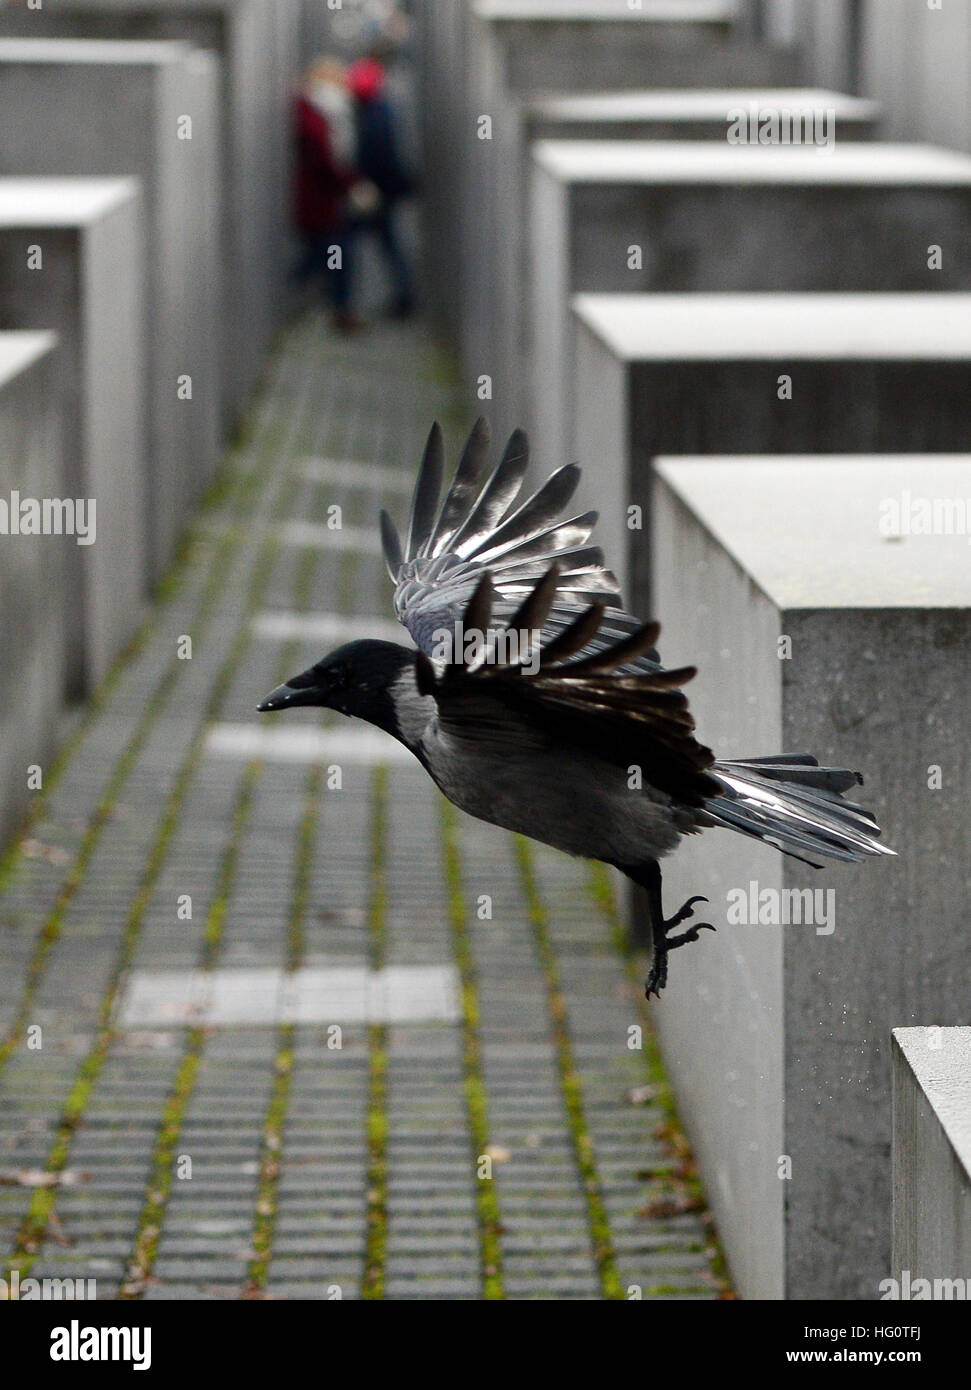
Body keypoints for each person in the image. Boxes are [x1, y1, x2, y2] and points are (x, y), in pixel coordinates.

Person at [293, 57, 362, 331]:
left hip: (326, 200)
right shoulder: (315, 115)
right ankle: (339, 311)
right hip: (321, 202)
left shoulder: (323, 111)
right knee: (331, 258)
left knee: (326, 258)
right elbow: (325, 160)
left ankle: (340, 311)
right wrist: (351, 183)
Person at [346, 56, 416, 318]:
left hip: (375, 191)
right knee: (387, 246)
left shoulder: (374, 114)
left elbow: (378, 155)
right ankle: (403, 297)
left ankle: (402, 297)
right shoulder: (380, 110)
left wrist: (366, 184)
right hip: (381, 189)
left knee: (359, 243)